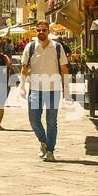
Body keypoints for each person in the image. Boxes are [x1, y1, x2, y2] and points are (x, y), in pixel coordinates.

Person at [21, 21, 69, 162]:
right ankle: (43, 141)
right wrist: (22, 86)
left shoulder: (57, 47)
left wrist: (66, 88)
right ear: (36, 31)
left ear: (48, 31)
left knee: (51, 121)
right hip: (35, 89)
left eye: (44, 30)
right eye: (39, 30)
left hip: (53, 90)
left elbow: (64, 69)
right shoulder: (30, 47)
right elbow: (24, 68)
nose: (41, 32)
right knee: (34, 119)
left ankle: (50, 150)